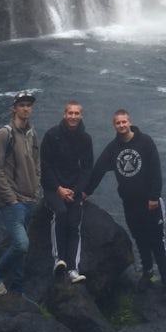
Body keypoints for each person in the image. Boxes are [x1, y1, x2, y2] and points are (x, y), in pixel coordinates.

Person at [85, 109, 166, 295]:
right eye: (118, 123)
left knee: (157, 241)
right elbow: (99, 169)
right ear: (114, 125)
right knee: (140, 239)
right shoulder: (113, 148)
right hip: (130, 204)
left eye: (124, 122)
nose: (121, 126)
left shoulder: (145, 142)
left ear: (130, 122)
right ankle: (147, 272)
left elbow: (155, 171)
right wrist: (87, 191)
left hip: (149, 203)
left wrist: (154, 197)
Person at [0, 90, 41, 297]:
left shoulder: (32, 133)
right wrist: (10, 198)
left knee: (21, 249)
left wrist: (36, 189)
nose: (26, 108)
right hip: (12, 201)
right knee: (21, 244)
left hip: (30, 199)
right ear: (14, 108)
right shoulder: (4, 134)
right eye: (21, 105)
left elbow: (37, 162)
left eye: (29, 105)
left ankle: (18, 290)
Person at [40, 100, 93, 283]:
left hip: (73, 188)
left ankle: (73, 269)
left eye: (76, 113)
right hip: (53, 187)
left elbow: (87, 168)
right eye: (70, 113)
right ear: (64, 115)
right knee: (60, 213)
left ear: (81, 116)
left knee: (74, 225)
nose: (73, 116)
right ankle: (58, 259)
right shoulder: (52, 135)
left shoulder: (85, 139)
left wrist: (77, 190)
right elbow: (45, 166)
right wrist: (58, 189)